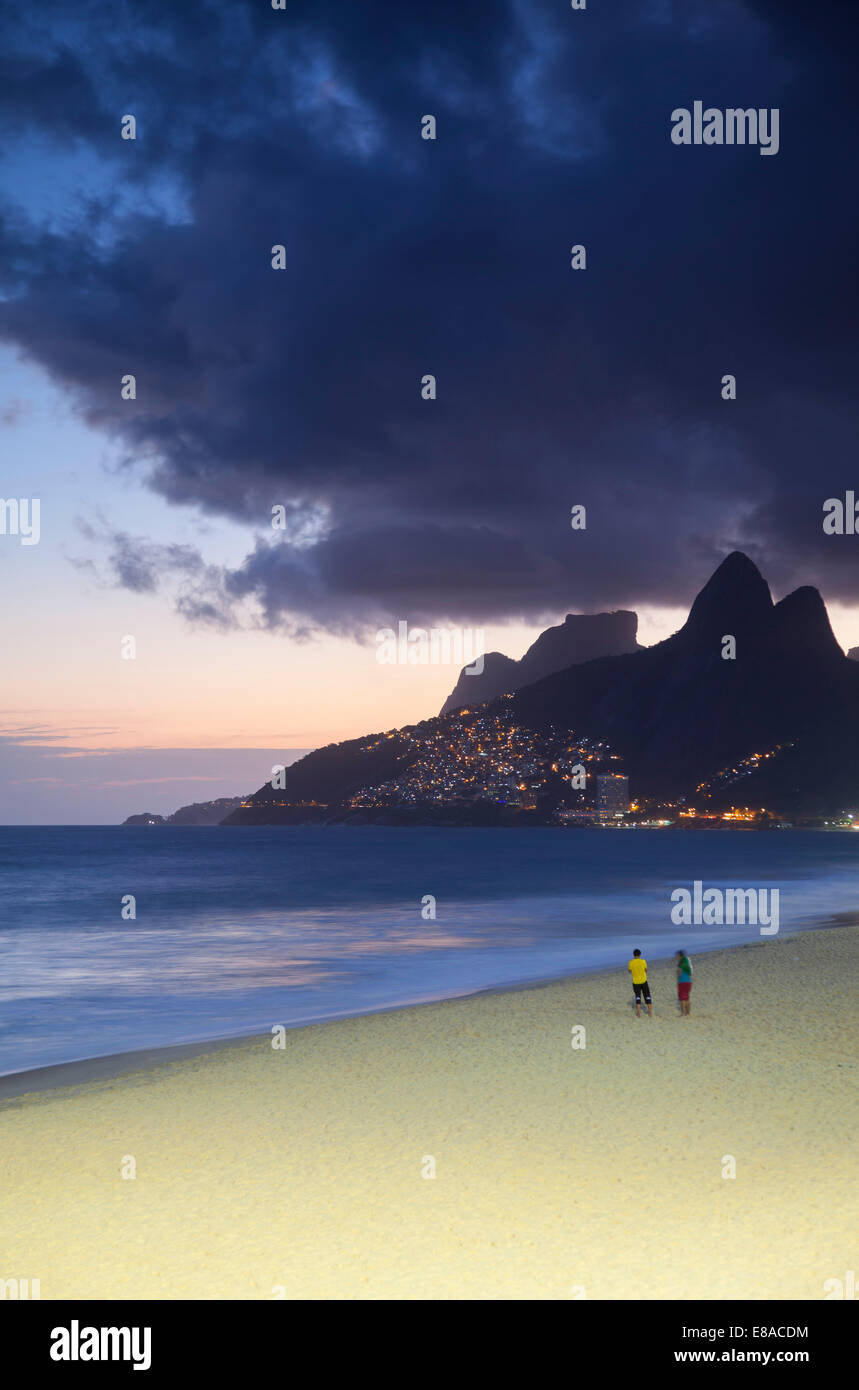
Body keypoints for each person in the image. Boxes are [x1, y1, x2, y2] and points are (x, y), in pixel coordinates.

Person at [627, 948, 652, 1017]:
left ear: (633, 955)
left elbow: (629, 971)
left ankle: (638, 1014)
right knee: (647, 996)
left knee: (638, 996)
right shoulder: (643, 961)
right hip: (644, 981)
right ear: (640, 954)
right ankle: (650, 1013)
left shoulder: (630, 962)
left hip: (635, 982)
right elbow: (646, 970)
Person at [676, 949, 693, 1016]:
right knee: (686, 998)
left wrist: (678, 974)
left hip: (682, 981)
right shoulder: (687, 962)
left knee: (682, 998)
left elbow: (679, 972)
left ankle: (683, 1013)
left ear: (680, 956)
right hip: (688, 981)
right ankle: (688, 1013)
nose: (676, 957)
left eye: (677, 956)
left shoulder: (682, 962)